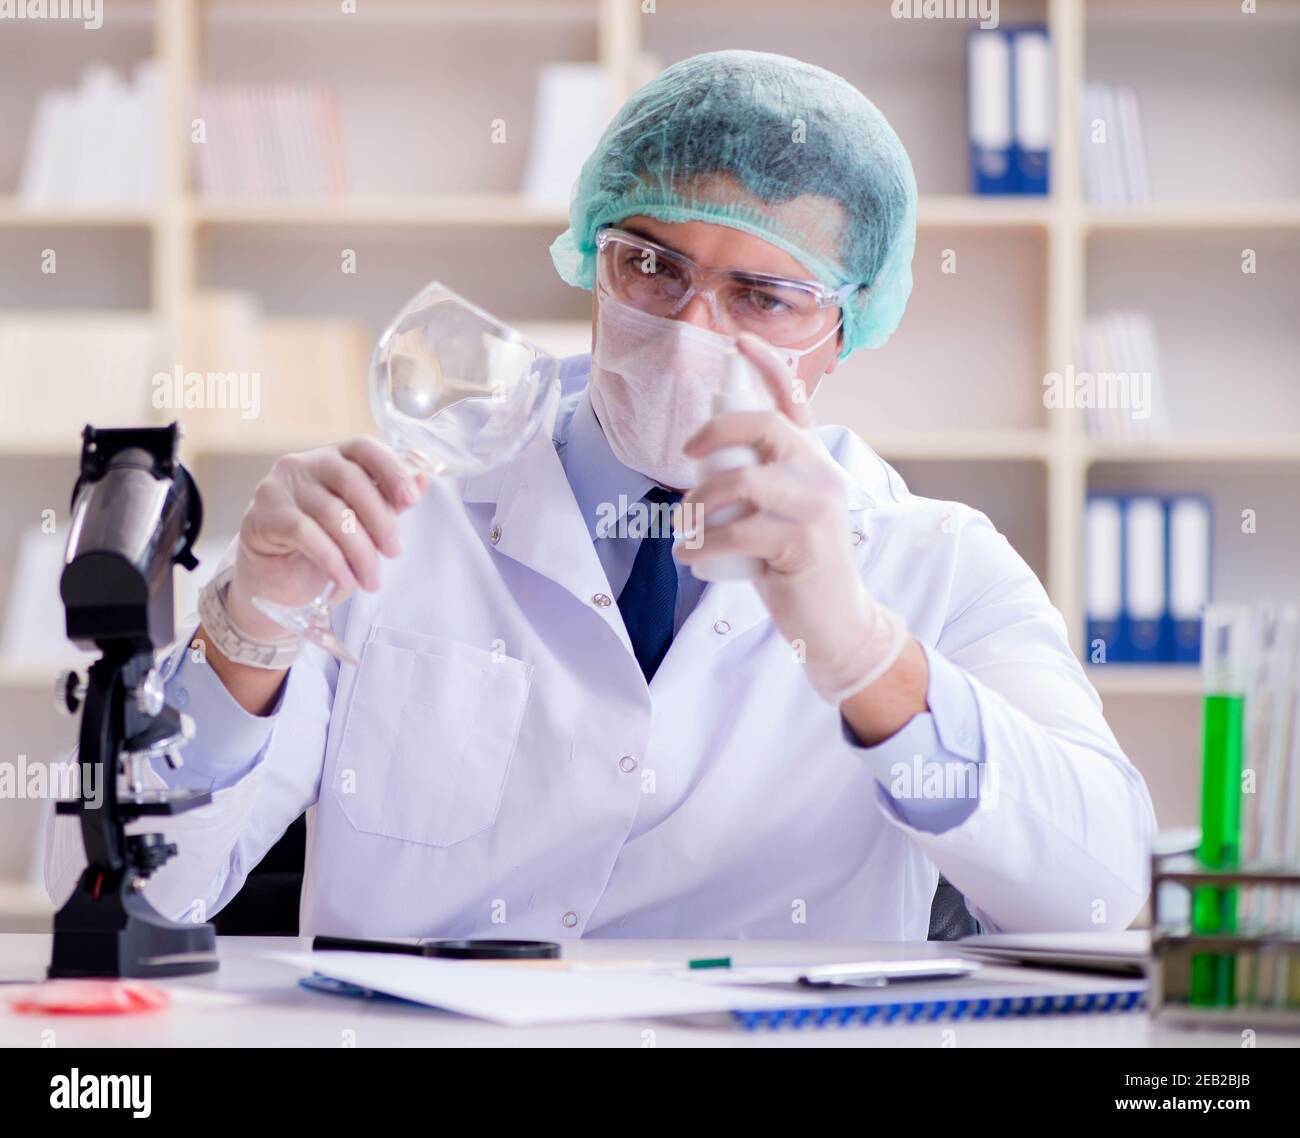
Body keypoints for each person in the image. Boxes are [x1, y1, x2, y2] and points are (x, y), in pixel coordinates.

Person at [46, 50, 1155, 940]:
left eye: (763, 294)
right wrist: (252, 632)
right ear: (591, 257)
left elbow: (1100, 892)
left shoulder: (937, 562)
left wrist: (868, 656)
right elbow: (109, 894)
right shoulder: (394, 512)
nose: (690, 331)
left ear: (842, 329)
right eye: (652, 265)